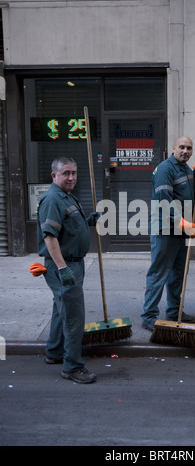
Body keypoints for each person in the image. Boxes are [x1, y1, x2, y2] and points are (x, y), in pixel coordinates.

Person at [37, 157, 100, 384]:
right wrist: (63, 268)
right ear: (54, 176)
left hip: (73, 263)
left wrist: (87, 221)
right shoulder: (53, 199)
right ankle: (72, 367)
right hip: (63, 265)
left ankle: (54, 351)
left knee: (60, 308)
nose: (71, 177)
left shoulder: (67, 196)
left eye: (73, 173)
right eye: (65, 173)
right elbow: (50, 236)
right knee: (74, 316)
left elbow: (67, 226)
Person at [141, 136, 195, 331]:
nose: (185, 151)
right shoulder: (165, 168)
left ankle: (173, 311)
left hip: (180, 231)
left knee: (178, 273)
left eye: (189, 148)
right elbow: (164, 199)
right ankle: (148, 316)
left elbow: (191, 188)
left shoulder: (185, 168)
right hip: (165, 229)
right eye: (182, 147)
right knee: (159, 273)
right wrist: (181, 222)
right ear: (174, 148)